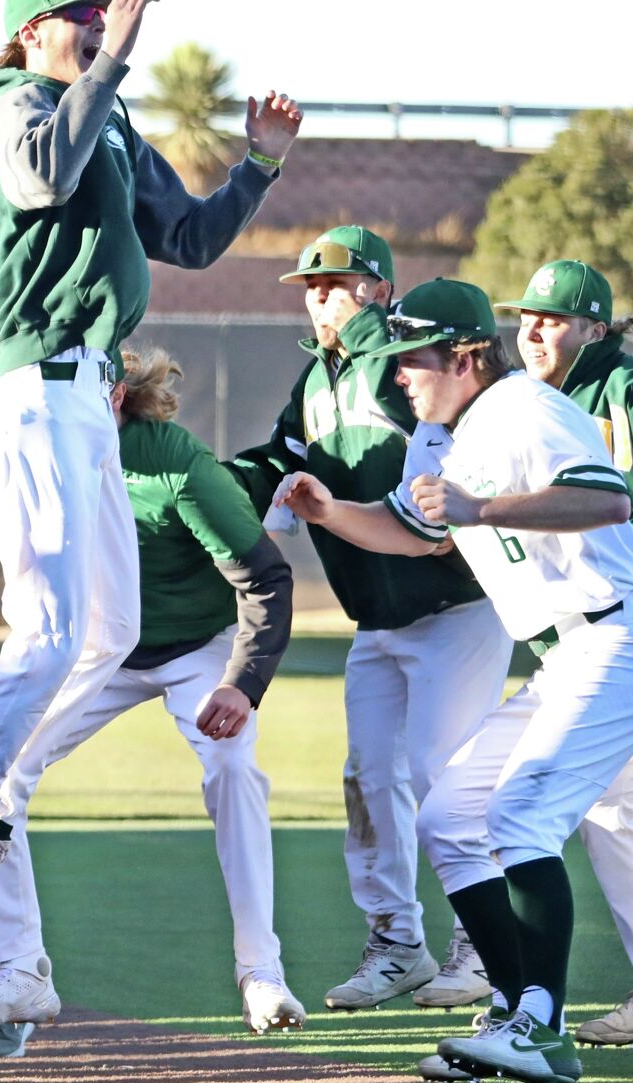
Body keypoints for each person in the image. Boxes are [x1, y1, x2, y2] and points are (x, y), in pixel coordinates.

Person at [0, 0, 300, 932]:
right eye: (79, 14)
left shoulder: (111, 116)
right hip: (38, 384)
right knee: (51, 630)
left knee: (110, 625)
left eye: (106, 14)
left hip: (90, 393)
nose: (100, 23)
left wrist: (256, 164)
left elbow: (190, 239)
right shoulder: (10, 101)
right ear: (30, 31)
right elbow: (45, 180)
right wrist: (115, 65)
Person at [278, 279, 633, 1083]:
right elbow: (412, 534)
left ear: (468, 354)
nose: (399, 374)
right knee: (449, 814)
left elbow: (609, 498)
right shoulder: (444, 434)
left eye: (414, 358)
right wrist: (329, 510)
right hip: (569, 653)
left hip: (615, 632)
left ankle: (540, 1029)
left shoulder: (522, 409)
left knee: (521, 816)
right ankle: (514, 1008)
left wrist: (482, 507)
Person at [0, 348, 302, 1033]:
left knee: (233, 767)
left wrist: (242, 683)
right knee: (4, 768)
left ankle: (262, 972)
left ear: (110, 400)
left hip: (196, 649)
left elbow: (266, 577)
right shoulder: (39, 438)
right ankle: (17, 970)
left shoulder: (175, 463)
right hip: (98, 650)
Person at [234, 226, 507, 1015]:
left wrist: (368, 337)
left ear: (379, 291)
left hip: (456, 606)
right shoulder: (318, 378)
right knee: (367, 779)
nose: (318, 295)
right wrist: (211, 480)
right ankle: (397, 942)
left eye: (335, 283)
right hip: (377, 618)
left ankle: (480, 945)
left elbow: (441, 413)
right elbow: (280, 459)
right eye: (309, 286)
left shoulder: (397, 366)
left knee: (439, 778)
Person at [493, 259, 633, 1047]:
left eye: (557, 317)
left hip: (624, 626)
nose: (536, 327)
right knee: (613, 817)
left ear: (597, 331)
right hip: (593, 635)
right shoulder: (537, 402)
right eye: (529, 316)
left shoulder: (621, 389)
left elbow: (615, 494)